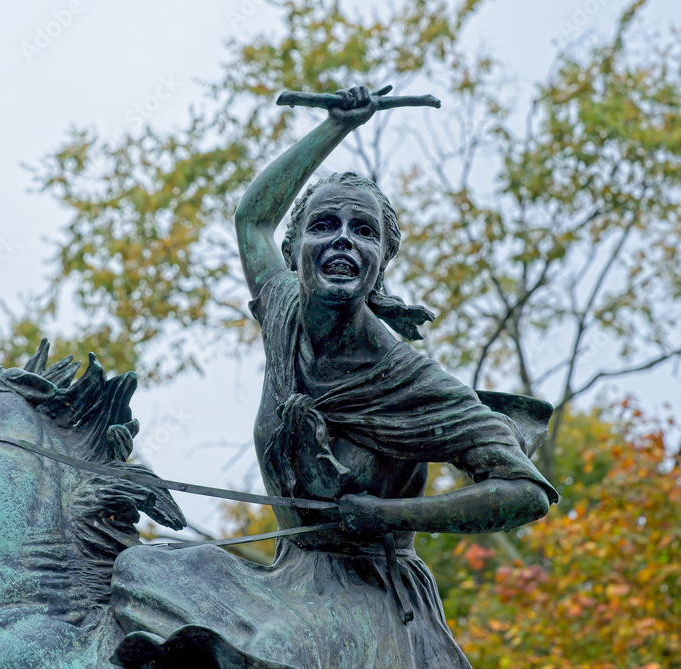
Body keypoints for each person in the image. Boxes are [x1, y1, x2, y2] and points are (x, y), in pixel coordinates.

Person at [110, 85, 558, 669]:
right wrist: (335, 127)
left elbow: (526, 494)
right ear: (296, 250)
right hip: (289, 578)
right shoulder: (283, 311)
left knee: (270, 652)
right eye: (325, 225)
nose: (344, 238)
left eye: (364, 231)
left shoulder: (410, 378)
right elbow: (252, 219)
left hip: (370, 599)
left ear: (379, 266)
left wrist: (389, 515)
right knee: (143, 571)